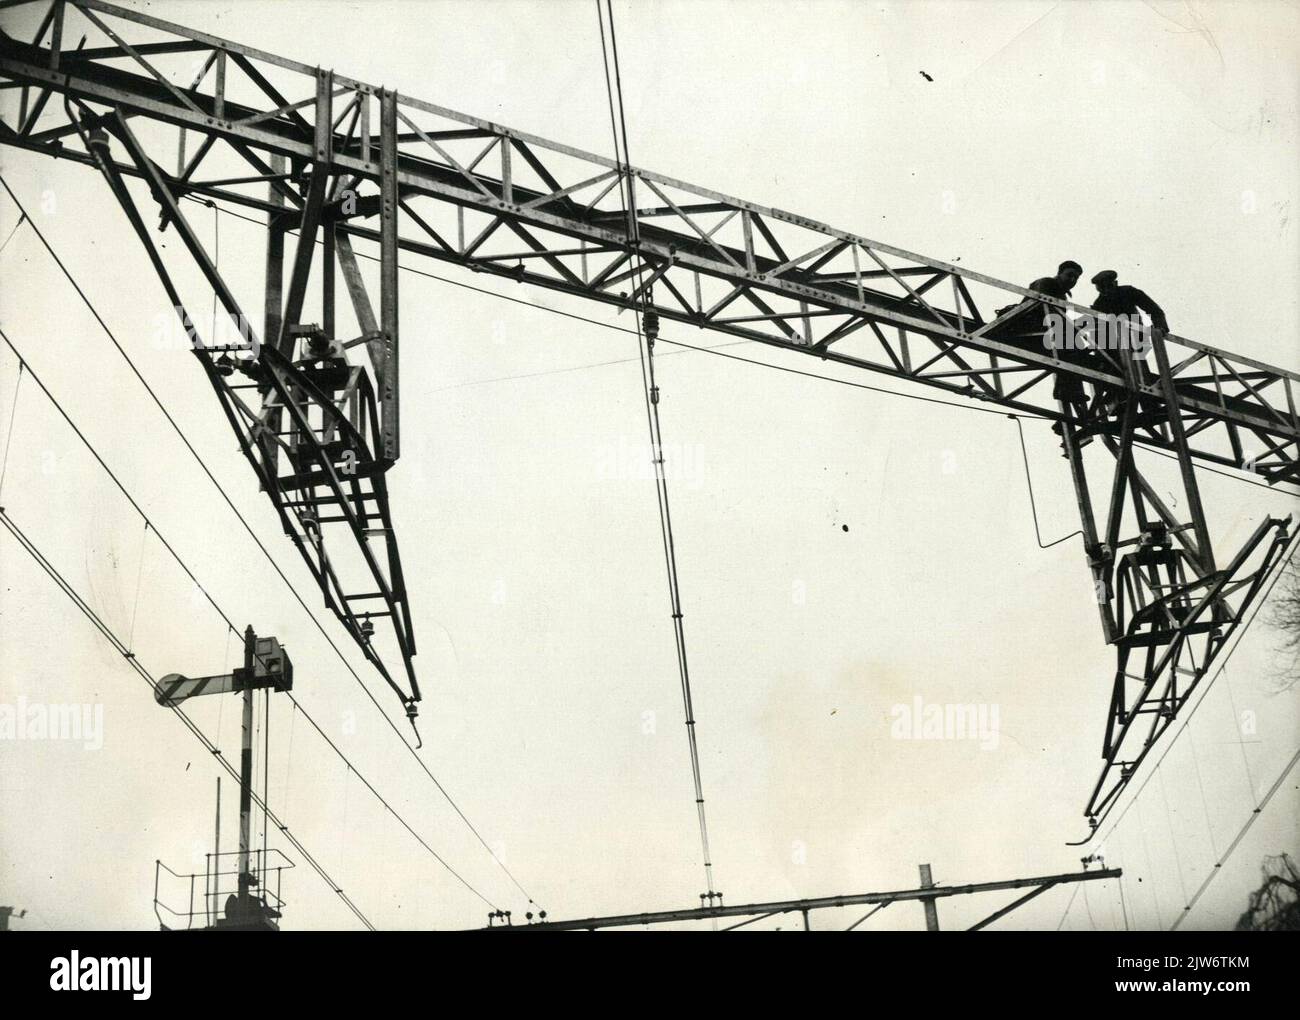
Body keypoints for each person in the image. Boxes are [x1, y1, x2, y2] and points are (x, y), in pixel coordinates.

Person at [1089, 270, 1169, 415]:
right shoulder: (1099, 303)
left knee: (1140, 371)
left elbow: (1153, 309)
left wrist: (1160, 327)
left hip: (1133, 338)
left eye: (1108, 286)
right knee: (1115, 372)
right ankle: (1120, 407)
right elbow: (1096, 329)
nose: (1106, 291)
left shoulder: (1128, 292)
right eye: (1102, 288)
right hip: (1112, 345)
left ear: (1115, 283)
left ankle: (1150, 406)